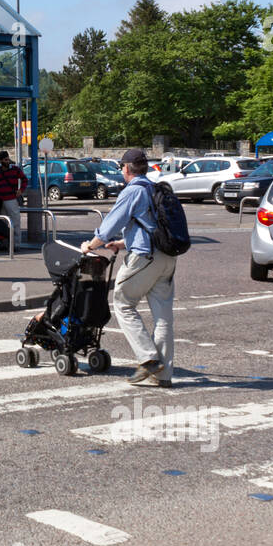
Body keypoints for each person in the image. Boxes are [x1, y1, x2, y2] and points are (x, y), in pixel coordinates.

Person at [81, 148, 175, 387]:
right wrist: (123, 243)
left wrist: (90, 246)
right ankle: (162, 376)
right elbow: (149, 227)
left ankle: (149, 359)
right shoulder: (154, 189)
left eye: (122, 167)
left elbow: (110, 225)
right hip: (167, 257)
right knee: (163, 317)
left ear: (126, 168)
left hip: (145, 258)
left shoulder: (133, 191)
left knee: (123, 303)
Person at [0, 150, 27, 245]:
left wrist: (21, 190)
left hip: (11, 199)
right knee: (3, 223)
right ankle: (6, 243)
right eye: (5, 160)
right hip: (0, 200)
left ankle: (16, 244)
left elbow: (24, 179)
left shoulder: (15, 169)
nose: (7, 161)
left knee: (15, 222)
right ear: (0, 161)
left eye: (8, 159)